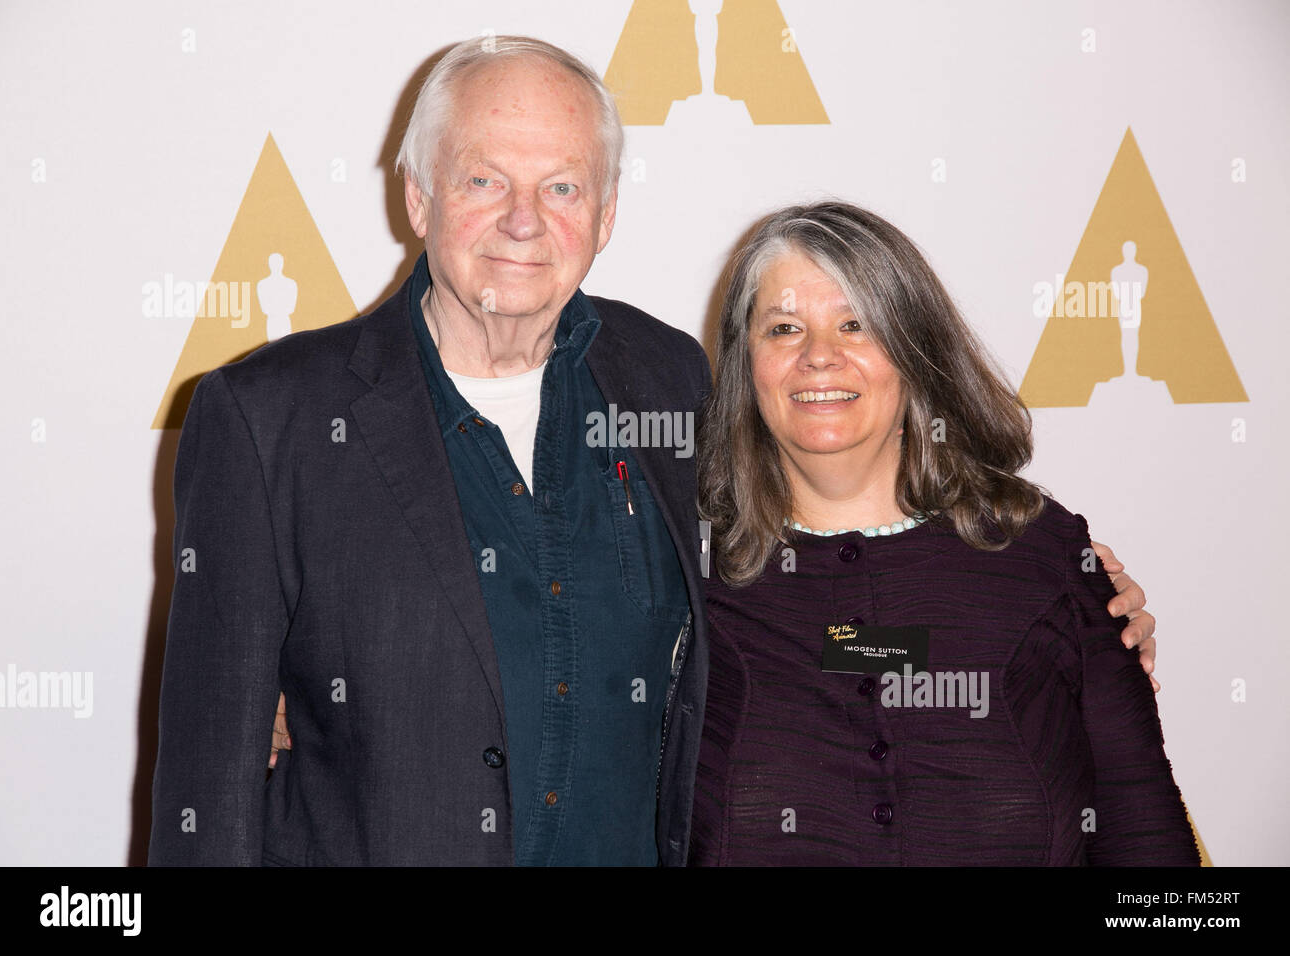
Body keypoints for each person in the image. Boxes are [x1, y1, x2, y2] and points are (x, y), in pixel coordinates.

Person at [155, 36, 1157, 867]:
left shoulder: (666, 380)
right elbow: (208, 782)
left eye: (560, 185)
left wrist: (1064, 628)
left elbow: (799, 617)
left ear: (605, 212)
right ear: (416, 196)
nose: (521, 220)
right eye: (480, 178)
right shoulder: (267, 417)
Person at [689, 201, 1196, 865]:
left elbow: (1146, 844)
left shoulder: (1045, 564)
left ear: (914, 349)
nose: (819, 356)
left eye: (855, 324)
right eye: (784, 328)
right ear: (743, 364)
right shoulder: (684, 582)